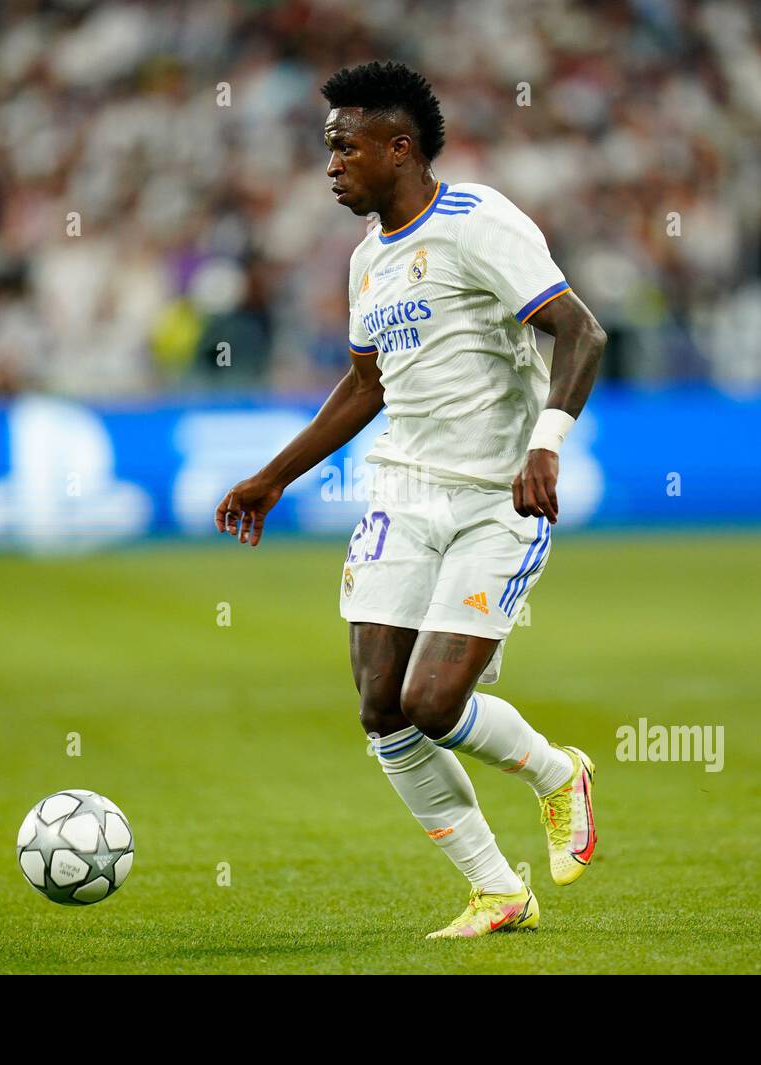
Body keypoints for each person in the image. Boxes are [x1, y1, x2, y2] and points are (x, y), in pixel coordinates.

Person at [215, 61, 607, 939]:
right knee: (380, 706)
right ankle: (498, 889)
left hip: (498, 498)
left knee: (433, 703)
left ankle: (554, 771)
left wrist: (545, 446)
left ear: (400, 148)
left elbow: (582, 330)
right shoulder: (367, 261)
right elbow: (367, 384)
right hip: (402, 491)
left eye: (344, 146)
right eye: (328, 148)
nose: (331, 164)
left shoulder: (481, 223)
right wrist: (275, 474)